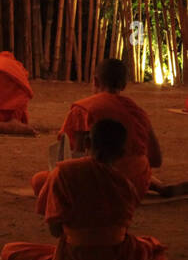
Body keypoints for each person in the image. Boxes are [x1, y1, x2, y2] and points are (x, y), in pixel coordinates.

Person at [0, 119, 167, 260]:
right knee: (154, 247)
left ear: (87, 142)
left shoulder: (65, 172)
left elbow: (55, 231)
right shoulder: (126, 184)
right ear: (122, 153)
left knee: (10, 251)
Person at [31, 57, 184, 199]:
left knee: (39, 180)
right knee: (130, 164)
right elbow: (156, 160)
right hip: (136, 184)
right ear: (124, 85)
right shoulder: (137, 111)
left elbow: (75, 156)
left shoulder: (83, 109)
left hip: (100, 182)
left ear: (95, 81)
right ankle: (157, 185)